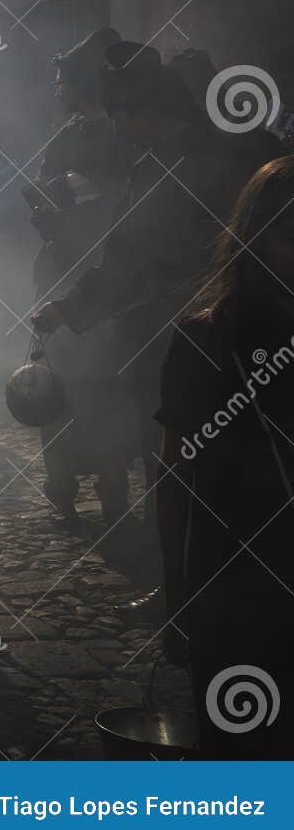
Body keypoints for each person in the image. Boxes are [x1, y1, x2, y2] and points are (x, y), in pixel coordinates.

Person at [31, 42, 272, 623]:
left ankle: (230, 597)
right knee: (169, 470)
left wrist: (71, 306)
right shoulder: (157, 163)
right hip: (166, 348)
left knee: (227, 477)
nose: (116, 127)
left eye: (123, 115)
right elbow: (123, 262)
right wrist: (70, 307)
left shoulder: (233, 162)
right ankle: (181, 590)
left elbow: (138, 265)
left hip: (226, 343)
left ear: (148, 113)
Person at [154, 156, 294, 757]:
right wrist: (175, 588)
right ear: (257, 240)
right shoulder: (202, 342)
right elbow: (174, 475)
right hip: (232, 581)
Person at [26, 28, 135, 521]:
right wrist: (60, 195)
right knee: (61, 383)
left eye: (62, 79)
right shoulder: (67, 135)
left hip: (107, 271)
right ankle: (62, 480)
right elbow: (40, 194)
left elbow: (135, 198)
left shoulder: (122, 133)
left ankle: (113, 480)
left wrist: (96, 195)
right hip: (60, 271)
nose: (55, 88)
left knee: (106, 384)